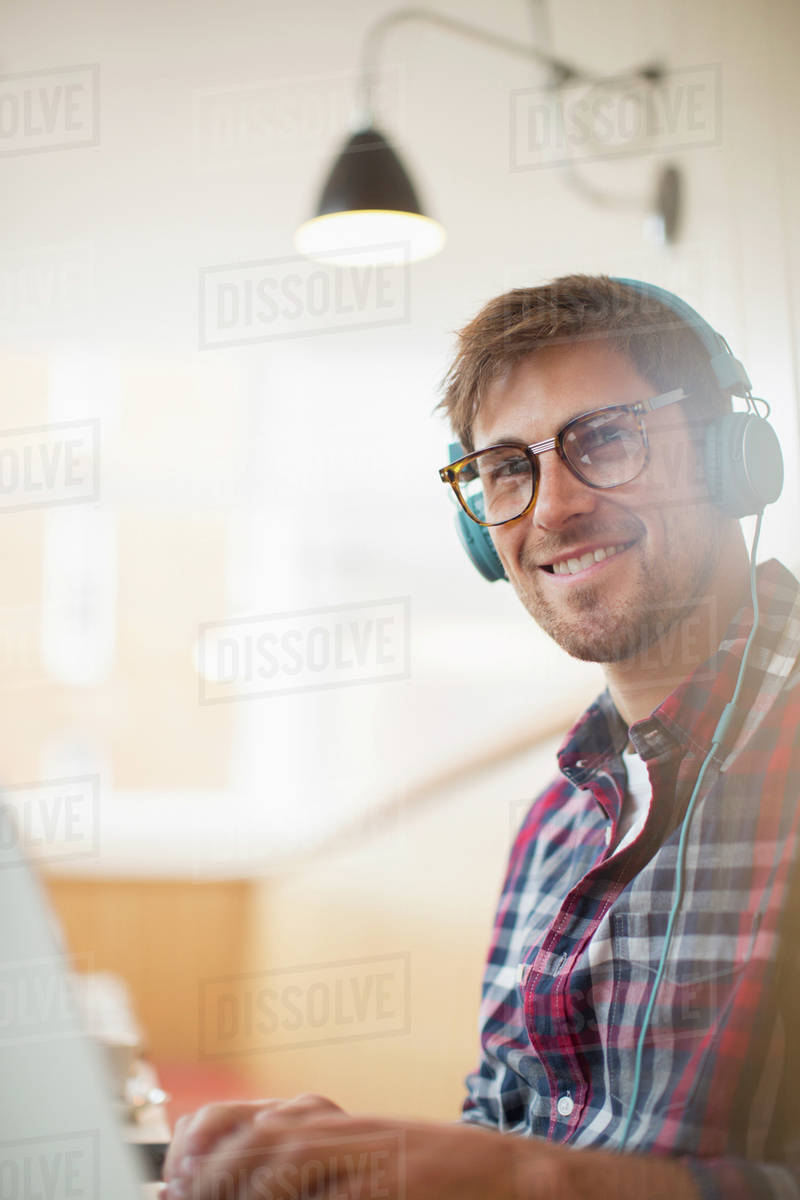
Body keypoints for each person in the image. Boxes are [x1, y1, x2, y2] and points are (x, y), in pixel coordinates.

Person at [162, 276, 800, 1199]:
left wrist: (516, 1175)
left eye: (606, 439)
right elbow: (505, 1131)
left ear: (728, 453)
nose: (551, 510)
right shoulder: (555, 824)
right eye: (506, 469)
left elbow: (516, 1166)